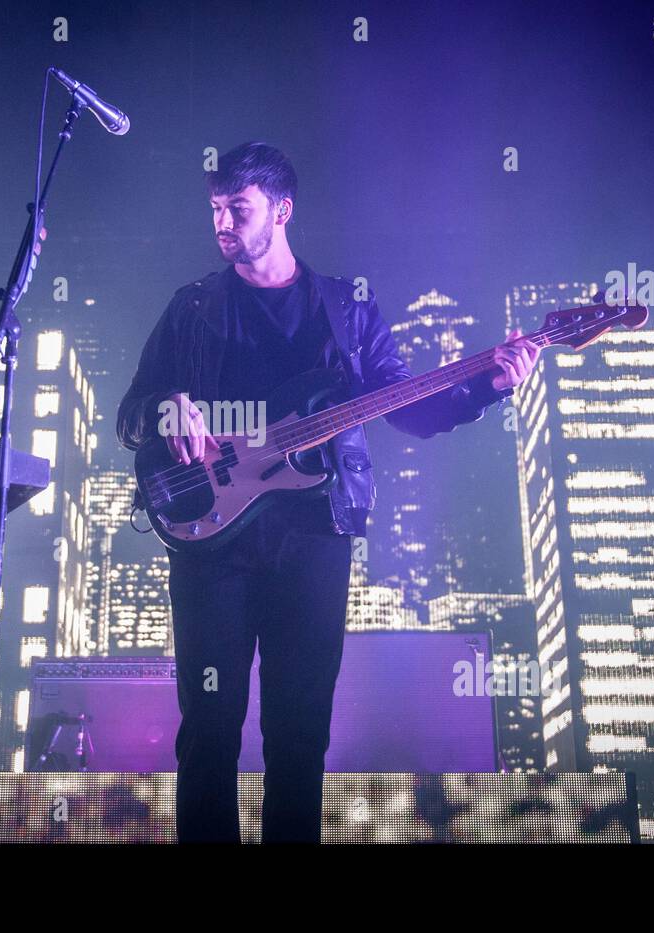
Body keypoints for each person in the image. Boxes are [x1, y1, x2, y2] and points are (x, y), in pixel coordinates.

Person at [116, 142, 540, 842]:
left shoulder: (346, 310)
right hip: (209, 539)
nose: (221, 222)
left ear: (282, 210)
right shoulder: (191, 307)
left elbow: (406, 407)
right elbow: (129, 415)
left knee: (300, 731)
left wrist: (485, 388)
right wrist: (167, 408)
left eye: (238, 208)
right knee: (210, 729)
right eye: (216, 209)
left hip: (315, 536)